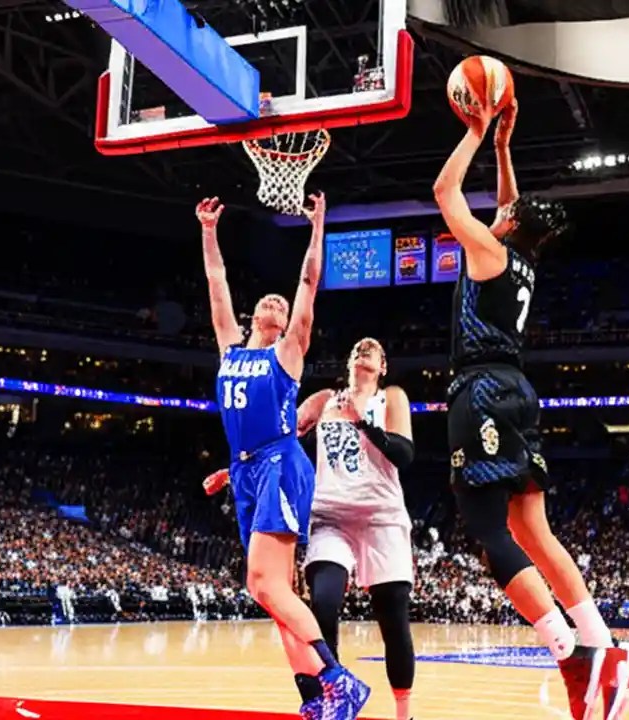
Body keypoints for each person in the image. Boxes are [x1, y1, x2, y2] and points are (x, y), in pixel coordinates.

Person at [432, 100, 629, 720]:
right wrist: (501, 147)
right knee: (534, 530)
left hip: (483, 390)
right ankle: (603, 645)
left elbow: (444, 191)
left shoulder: (490, 253)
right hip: (519, 390)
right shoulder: (522, 257)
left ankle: (567, 650)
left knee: (486, 525)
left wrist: (473, 134)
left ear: (508, 224)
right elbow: (508, 209)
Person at [198, 194, 370, 720]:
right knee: (273, 597)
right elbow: (216, 283)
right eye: (268, 301)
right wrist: (209, 229)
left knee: (264, 583)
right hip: (249, 468)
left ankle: (338, 678)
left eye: (281, 301)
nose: (276, 302)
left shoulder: (286, 352)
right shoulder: (232, 347)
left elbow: (308, 283)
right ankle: (316, 697)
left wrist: (317, 225)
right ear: (254, 315)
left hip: (280, 463)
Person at [298, 338, 417, 720]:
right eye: (357, 348)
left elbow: (404, 454)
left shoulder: (391, 397)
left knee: (393, 617)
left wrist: (362, 422)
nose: (363, 349)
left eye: (373, 349)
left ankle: (404, 714)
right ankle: (332, 701)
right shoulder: (323, 401)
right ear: (348, 362)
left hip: (382, 517)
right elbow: (279, 434)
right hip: (331, 516)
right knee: (324, 604)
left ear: (383, 367)